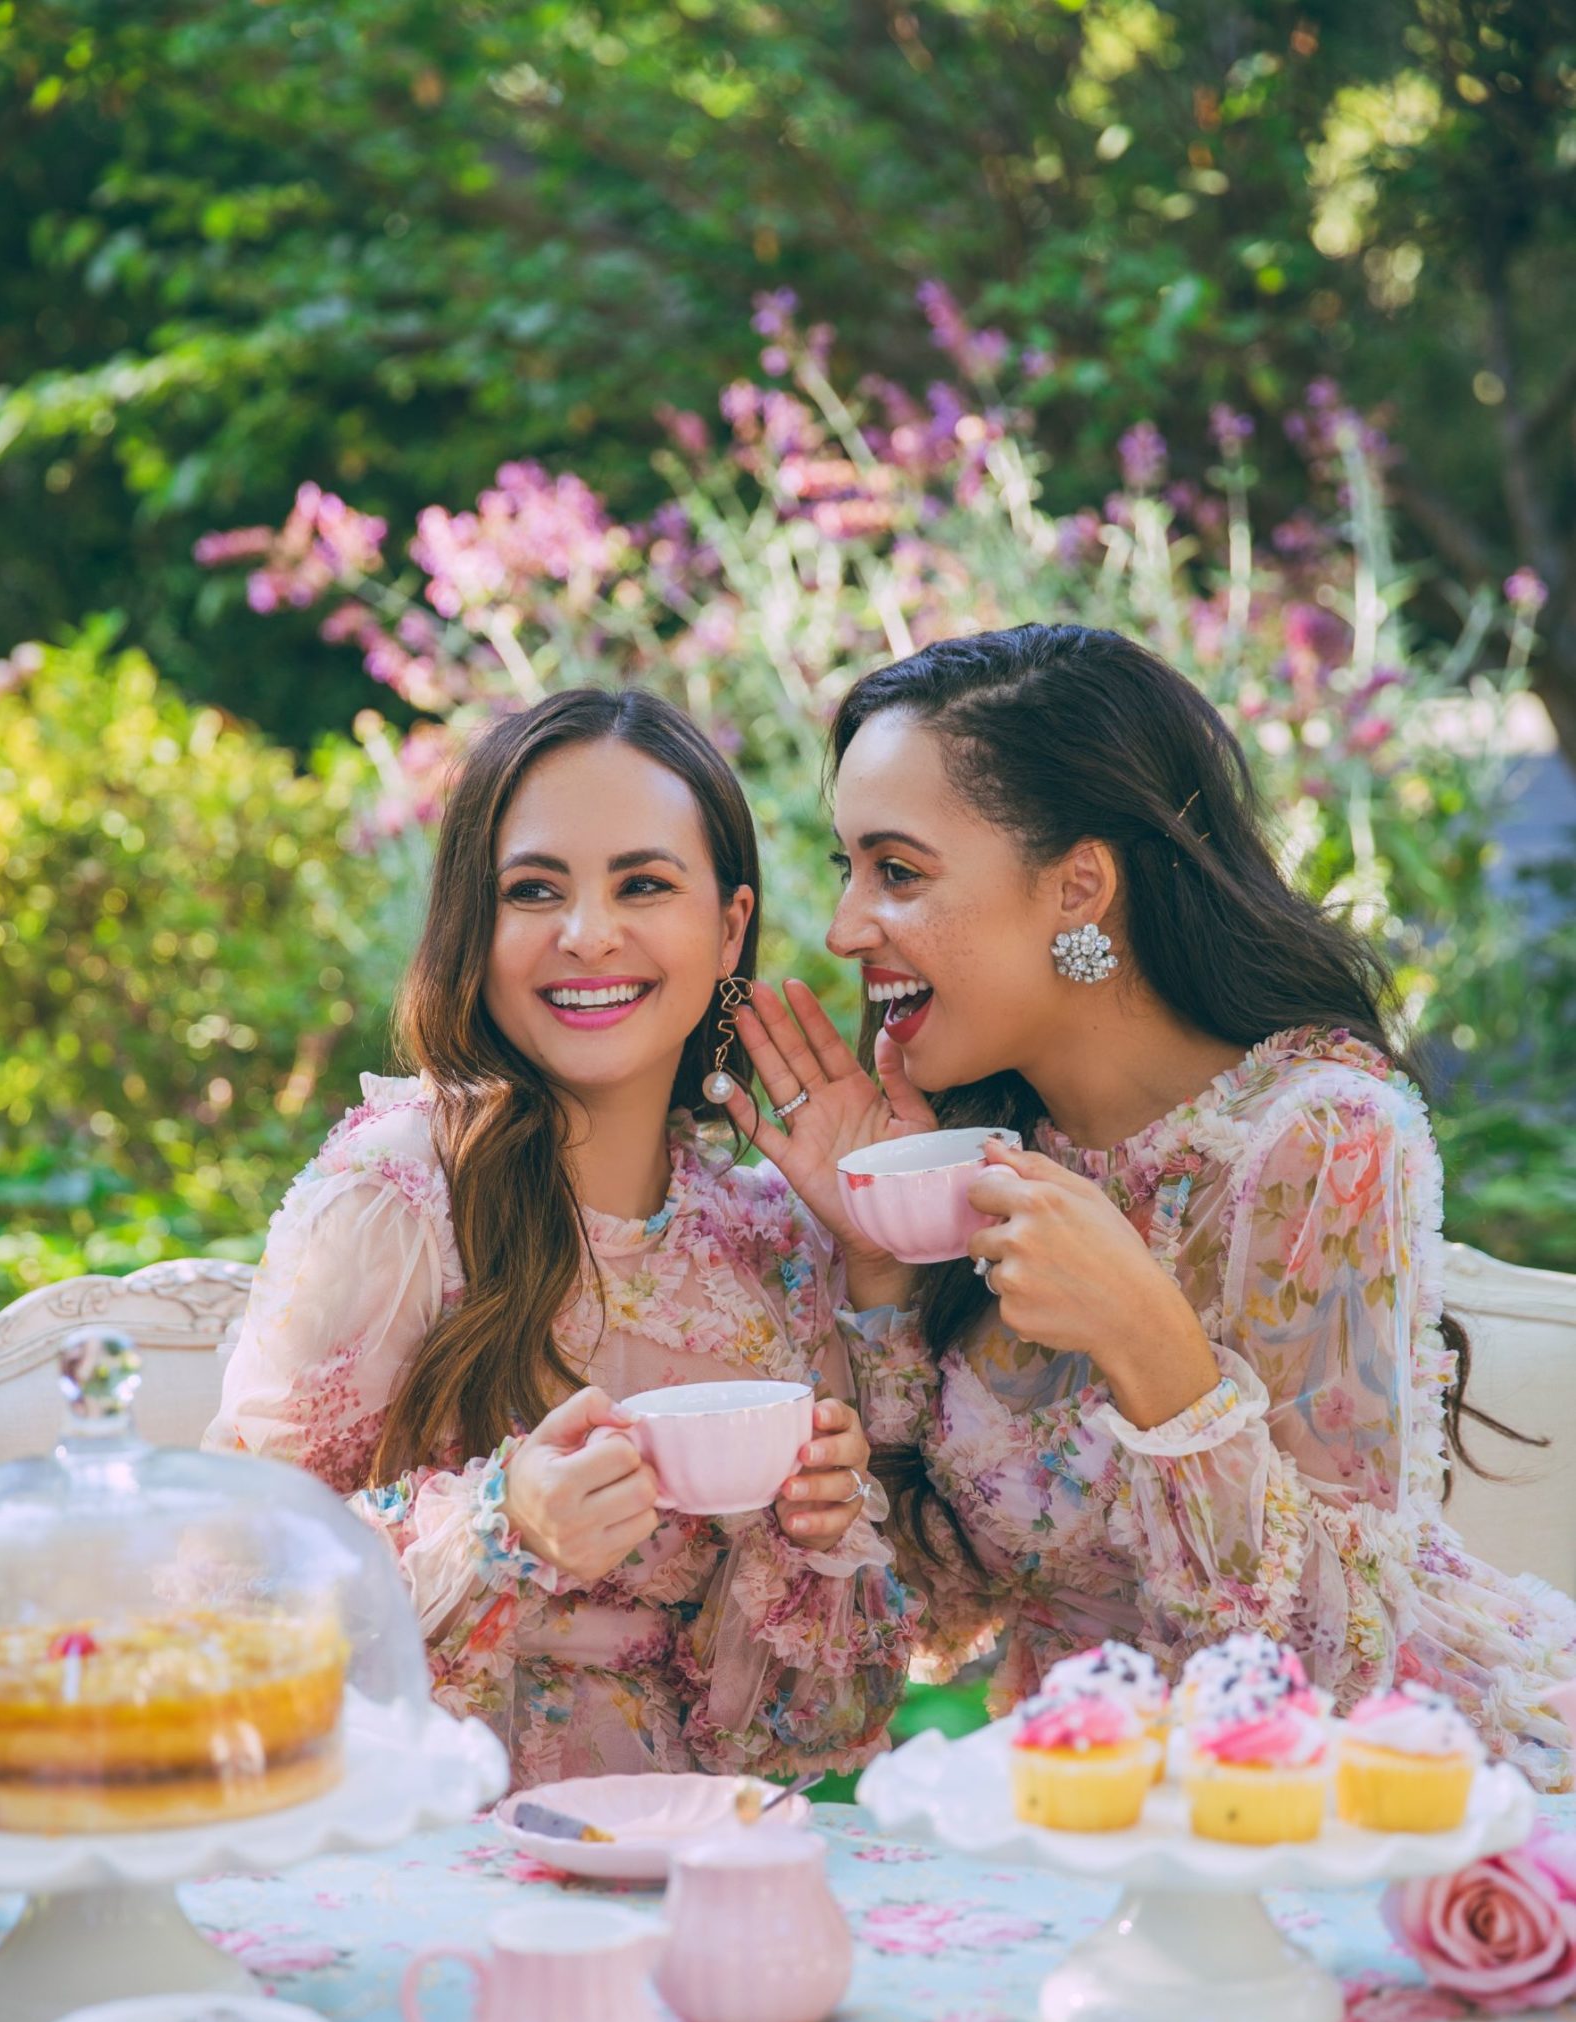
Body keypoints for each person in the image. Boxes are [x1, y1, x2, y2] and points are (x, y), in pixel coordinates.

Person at [714, 623, 1574, 1788]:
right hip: (1094, 1805)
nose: (843, 927)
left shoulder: (1315, 1136)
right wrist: (881, 1269)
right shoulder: (977, 1146)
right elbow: (939, 1612)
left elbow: (1340, 1664)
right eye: (847, 868)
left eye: (898, 870)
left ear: (1077, 886)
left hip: (1394, 1797)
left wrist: (1153, 1353)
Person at [204, 687, 910, 1787]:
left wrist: (810, 1538)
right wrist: (503, 1525)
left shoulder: (768, 1238)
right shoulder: (394, 1198)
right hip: (417, 1850)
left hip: (679, 1859)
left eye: (642, 884)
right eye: (533, 890)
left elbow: (804, 1736)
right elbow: (228, 1576)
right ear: (474, 930)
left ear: (727, 927)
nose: (586, 934)